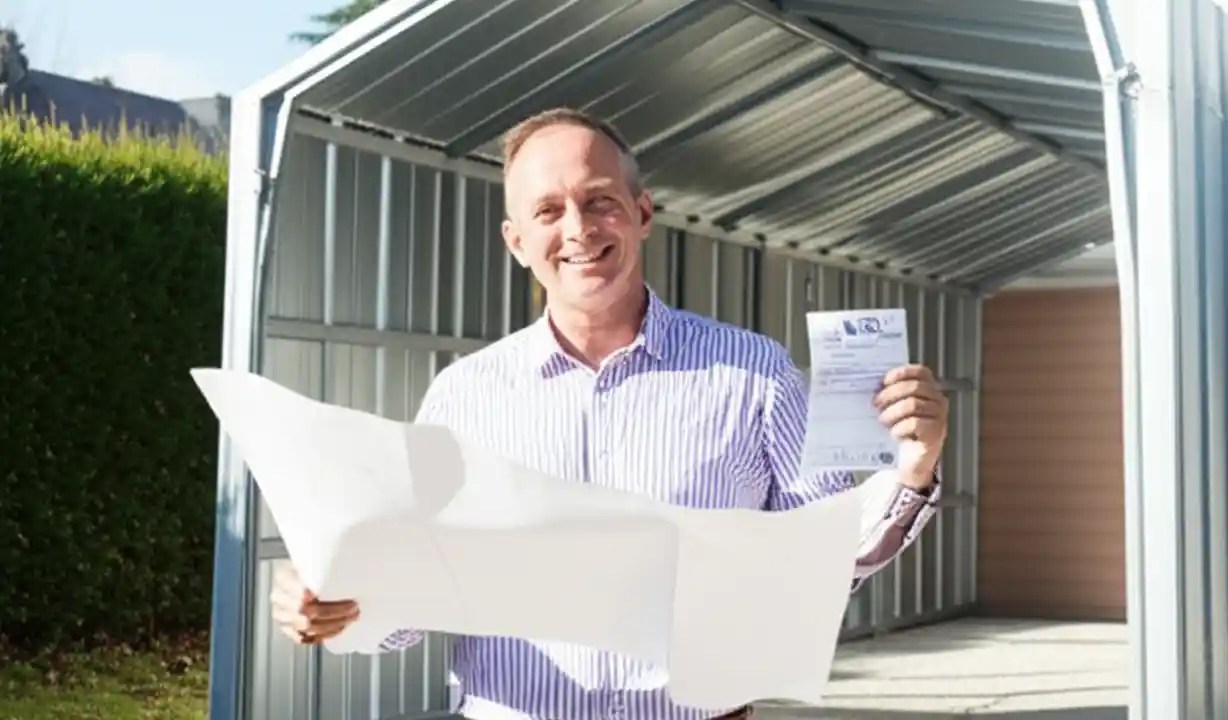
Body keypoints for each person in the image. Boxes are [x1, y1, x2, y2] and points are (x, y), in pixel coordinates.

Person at [270, 108, 948, 720]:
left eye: (600, 201)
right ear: (515, 241)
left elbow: (827, 558)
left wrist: (912, 471)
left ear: (643, 213)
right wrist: (335, 603)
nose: (578, 230)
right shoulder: (463, 397)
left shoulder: (754, 375)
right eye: (548, 211)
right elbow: (411, 596)